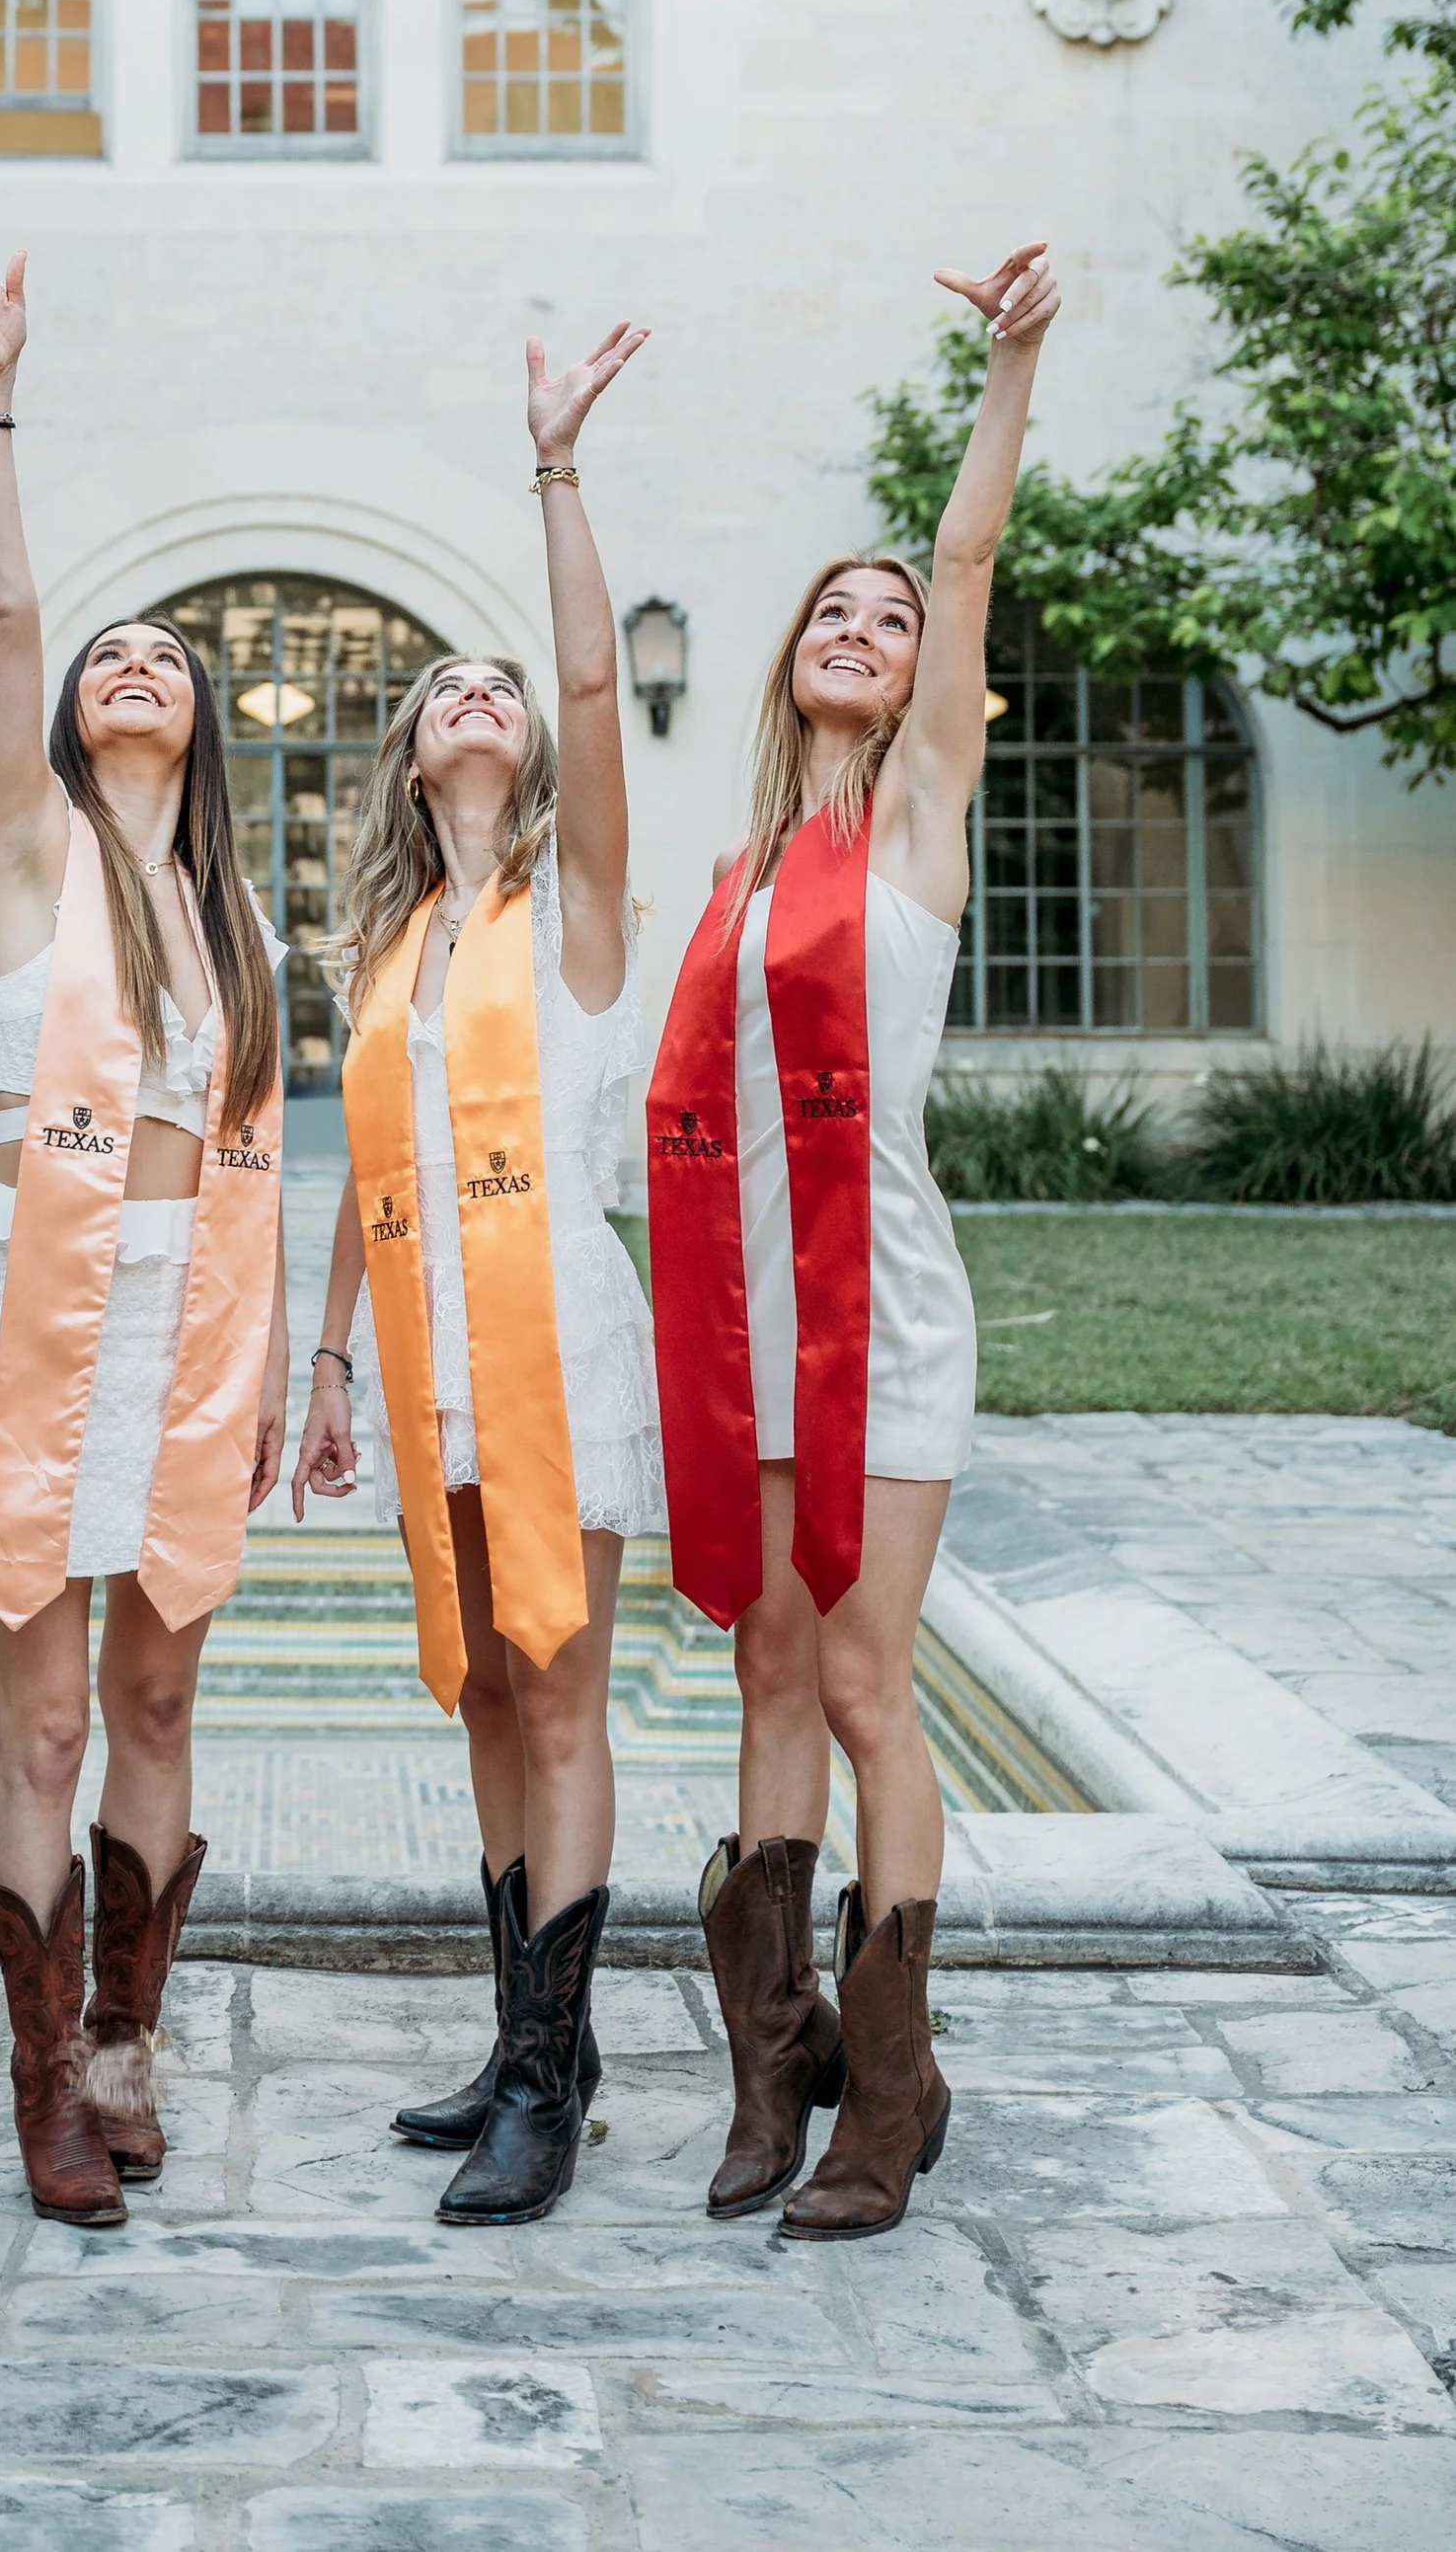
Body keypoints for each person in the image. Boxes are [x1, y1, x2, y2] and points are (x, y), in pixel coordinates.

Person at [646, 241, 1060, 2242]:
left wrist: (1008, 372)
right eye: (834, 605)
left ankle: (886, 2092)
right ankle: (766, 2058)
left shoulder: (908, 825)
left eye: (889, 616)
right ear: (786, 657)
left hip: (879, 1321)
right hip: (745, 1332)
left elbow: (966, 566)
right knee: (763, 1674)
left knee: (870, 1683)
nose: (867, 621)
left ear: (918, 676)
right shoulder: (731, 876)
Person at [0, 213, 288, 2230]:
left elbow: (263, 1153)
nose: (128, 659)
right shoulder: (16, 858)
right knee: (47, 1707)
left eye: (169, 655)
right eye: (106, 656)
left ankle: (133, 2037)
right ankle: (42, 2072)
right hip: (25, 1304)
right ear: (71, 714)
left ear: (198, 724)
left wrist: (280, 1360)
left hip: (189, 1315)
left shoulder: (237, 921)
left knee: (159, 1699)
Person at [293, 322, 662, 2230]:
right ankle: (531, 2034)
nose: (481, 699)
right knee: (483, 1699)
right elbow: (374, 1173)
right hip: (430, 1343)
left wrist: (555, 469)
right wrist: (334, 1360)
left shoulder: (570, 906)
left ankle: (548, 2079)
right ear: (408, 751)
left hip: (559, 1341)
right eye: (445, 687)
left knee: (564, 1685)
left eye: (494, 687)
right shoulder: (394, 947)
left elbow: (594, 675)